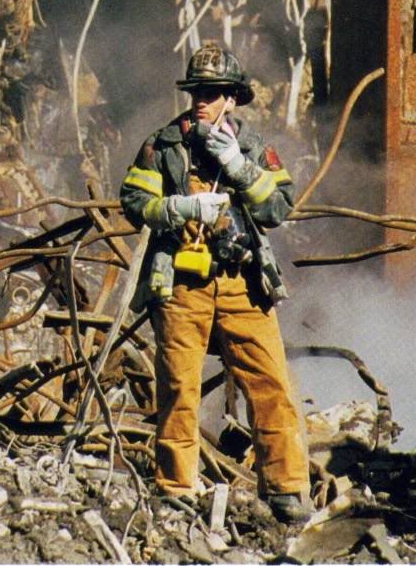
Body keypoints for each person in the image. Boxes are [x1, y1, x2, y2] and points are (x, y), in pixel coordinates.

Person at [118, 42, 310, 524]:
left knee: (270, 384)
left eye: (214, 92)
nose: (202, 99)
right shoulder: (164, 145)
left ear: (234, 98)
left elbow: (278, 207)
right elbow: (134, 202)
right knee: (178, 386)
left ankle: (287, 489)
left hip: (244, 283)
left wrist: (242, 169)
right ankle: (176, 486)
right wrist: (180, 208)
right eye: (197, 91)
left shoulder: (252, 148)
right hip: (183, 285)